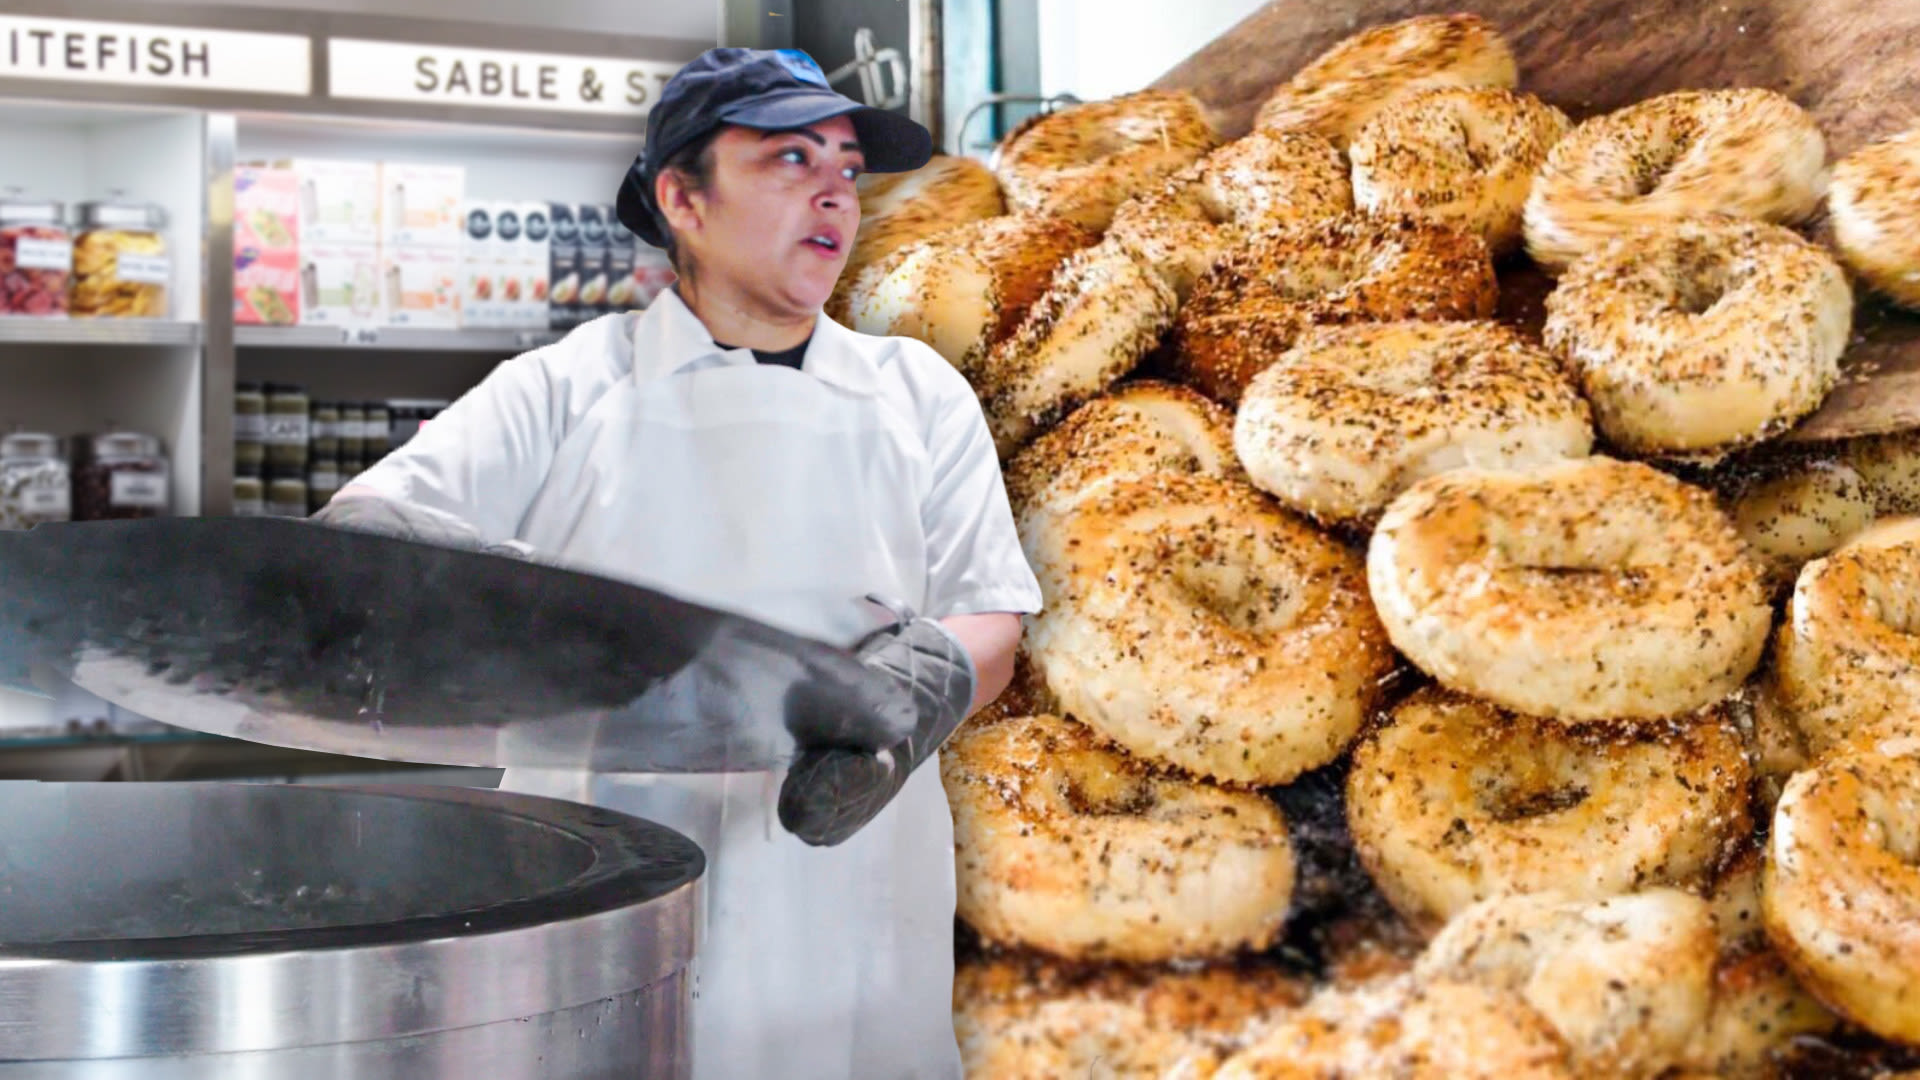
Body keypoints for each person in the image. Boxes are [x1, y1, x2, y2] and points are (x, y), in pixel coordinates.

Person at [312, 47, 1042, 1080]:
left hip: (855, 902)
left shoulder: (916, 390)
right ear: (682, 200)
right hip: (606, 896)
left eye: (843, 163)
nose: (836, 188)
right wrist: (467, 590)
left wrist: (917, 690)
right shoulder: (565, 387)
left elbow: (993, 617)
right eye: (790, 159)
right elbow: (369, 520)